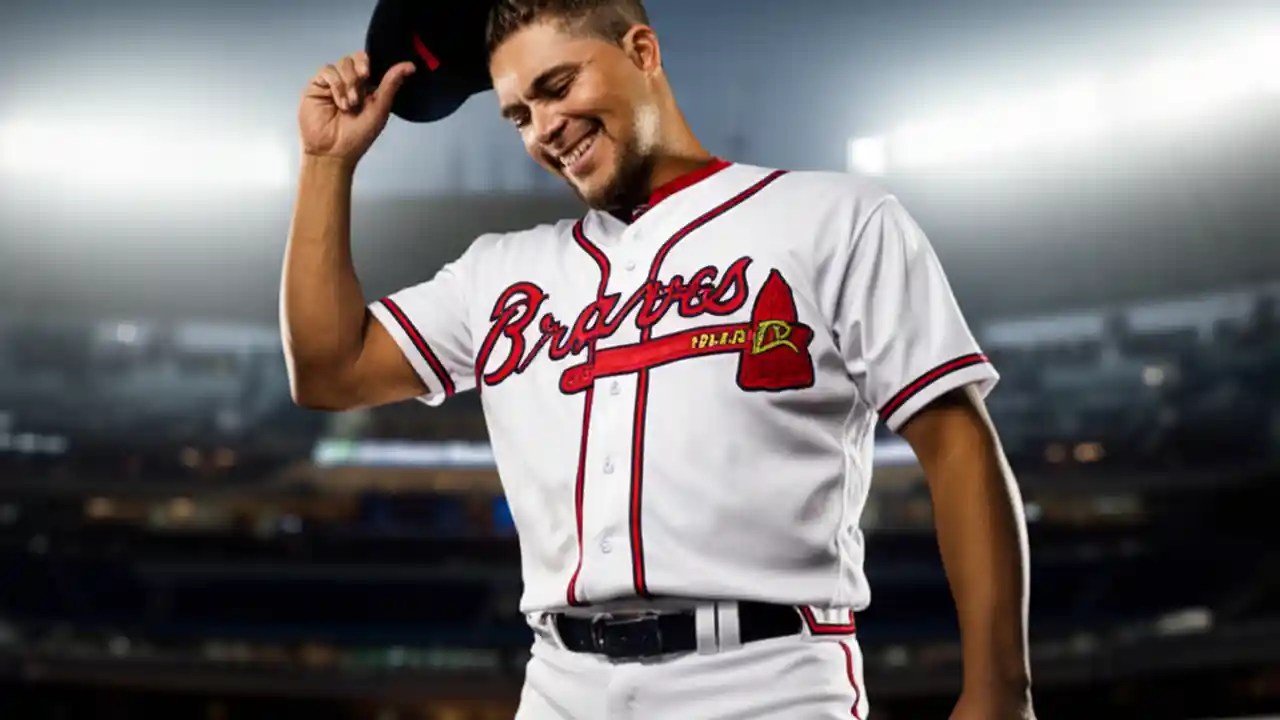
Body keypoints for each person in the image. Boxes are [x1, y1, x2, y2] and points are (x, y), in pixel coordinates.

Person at [281, 1, 1037, 717]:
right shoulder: (499, 273)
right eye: (520, 114)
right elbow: (328, 368)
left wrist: (999, 693)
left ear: (642, 51)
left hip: (769, 679)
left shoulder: (833, 219)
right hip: (559, 682)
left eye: (558, 85)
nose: (546, 127)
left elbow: (956, 443)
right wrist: (327, 163)